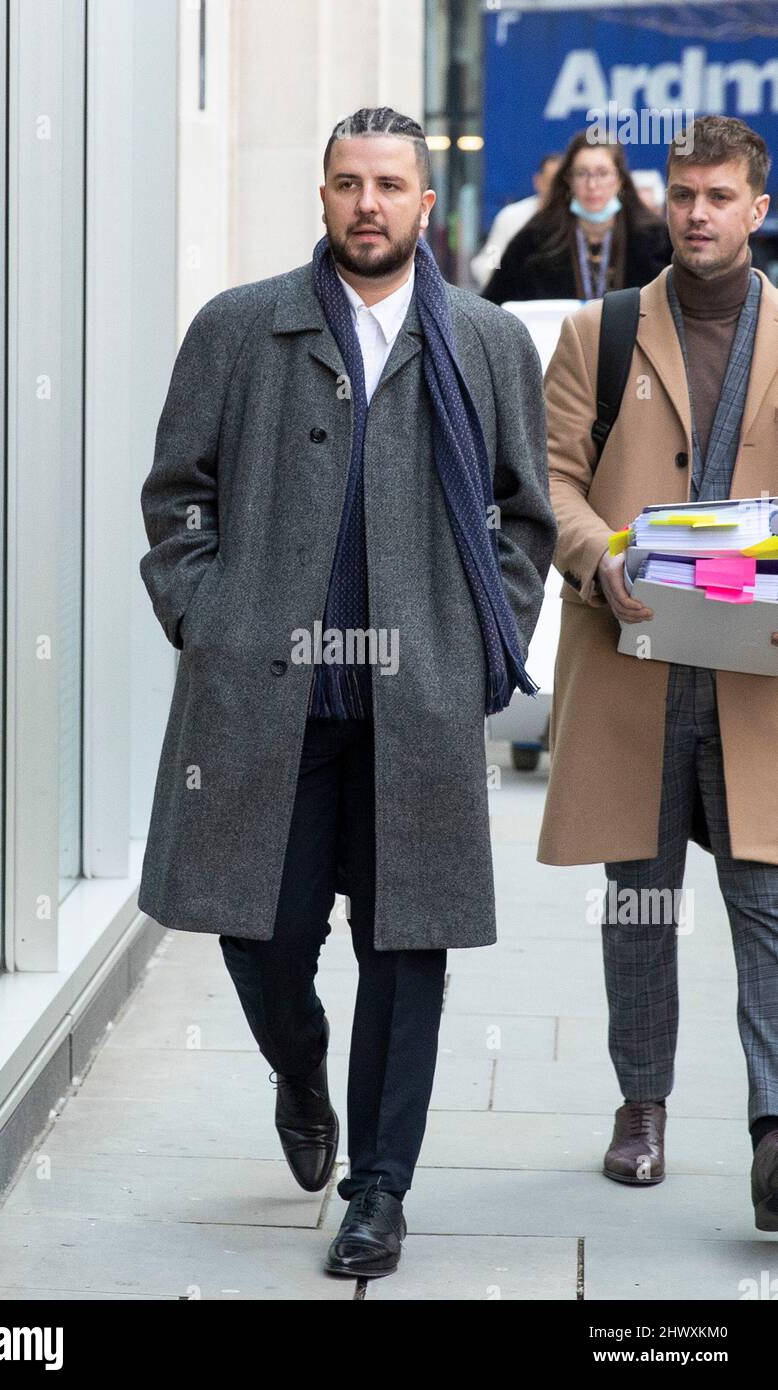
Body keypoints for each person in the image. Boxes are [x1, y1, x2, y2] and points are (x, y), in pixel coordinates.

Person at [137, 105, 557, 1279]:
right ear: (319, 198)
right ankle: (298, 1066)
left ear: (428, 205)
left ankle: (378, 1188)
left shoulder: (481, 341)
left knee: (404, 947)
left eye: (389, 184)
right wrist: (207, 618)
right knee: (258, 935)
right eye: (345, 183)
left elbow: (520, 515)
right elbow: (176, 497)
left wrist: (477, 643)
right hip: (268, 701)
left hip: (411, 704)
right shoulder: (239, 328)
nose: (366, 203)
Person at [536, 115, 778, 1232]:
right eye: (682, 193)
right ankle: (640, 1108)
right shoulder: (598, 331)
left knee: (765, 903)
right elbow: (548, 487)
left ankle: (773, 1132)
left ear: (755, 208)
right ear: (661, 200)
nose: (695, 213)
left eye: (718, 195)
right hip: (633, 659)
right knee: (636, 903)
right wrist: (600, 556)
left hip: (755, 676)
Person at [483, 131, 671, 305]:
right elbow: (494, 299)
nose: (592, 184)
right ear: (568, 180)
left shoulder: (655, 240)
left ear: (620, 179)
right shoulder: (533, 240)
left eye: (602, 173)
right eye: (582, 173)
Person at [471, 152, 561, 291]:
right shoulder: (510, 217)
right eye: (551, 182)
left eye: (562, 184)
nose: (556, 190)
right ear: (538, 181)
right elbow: (490, 260)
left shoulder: (579, 221)